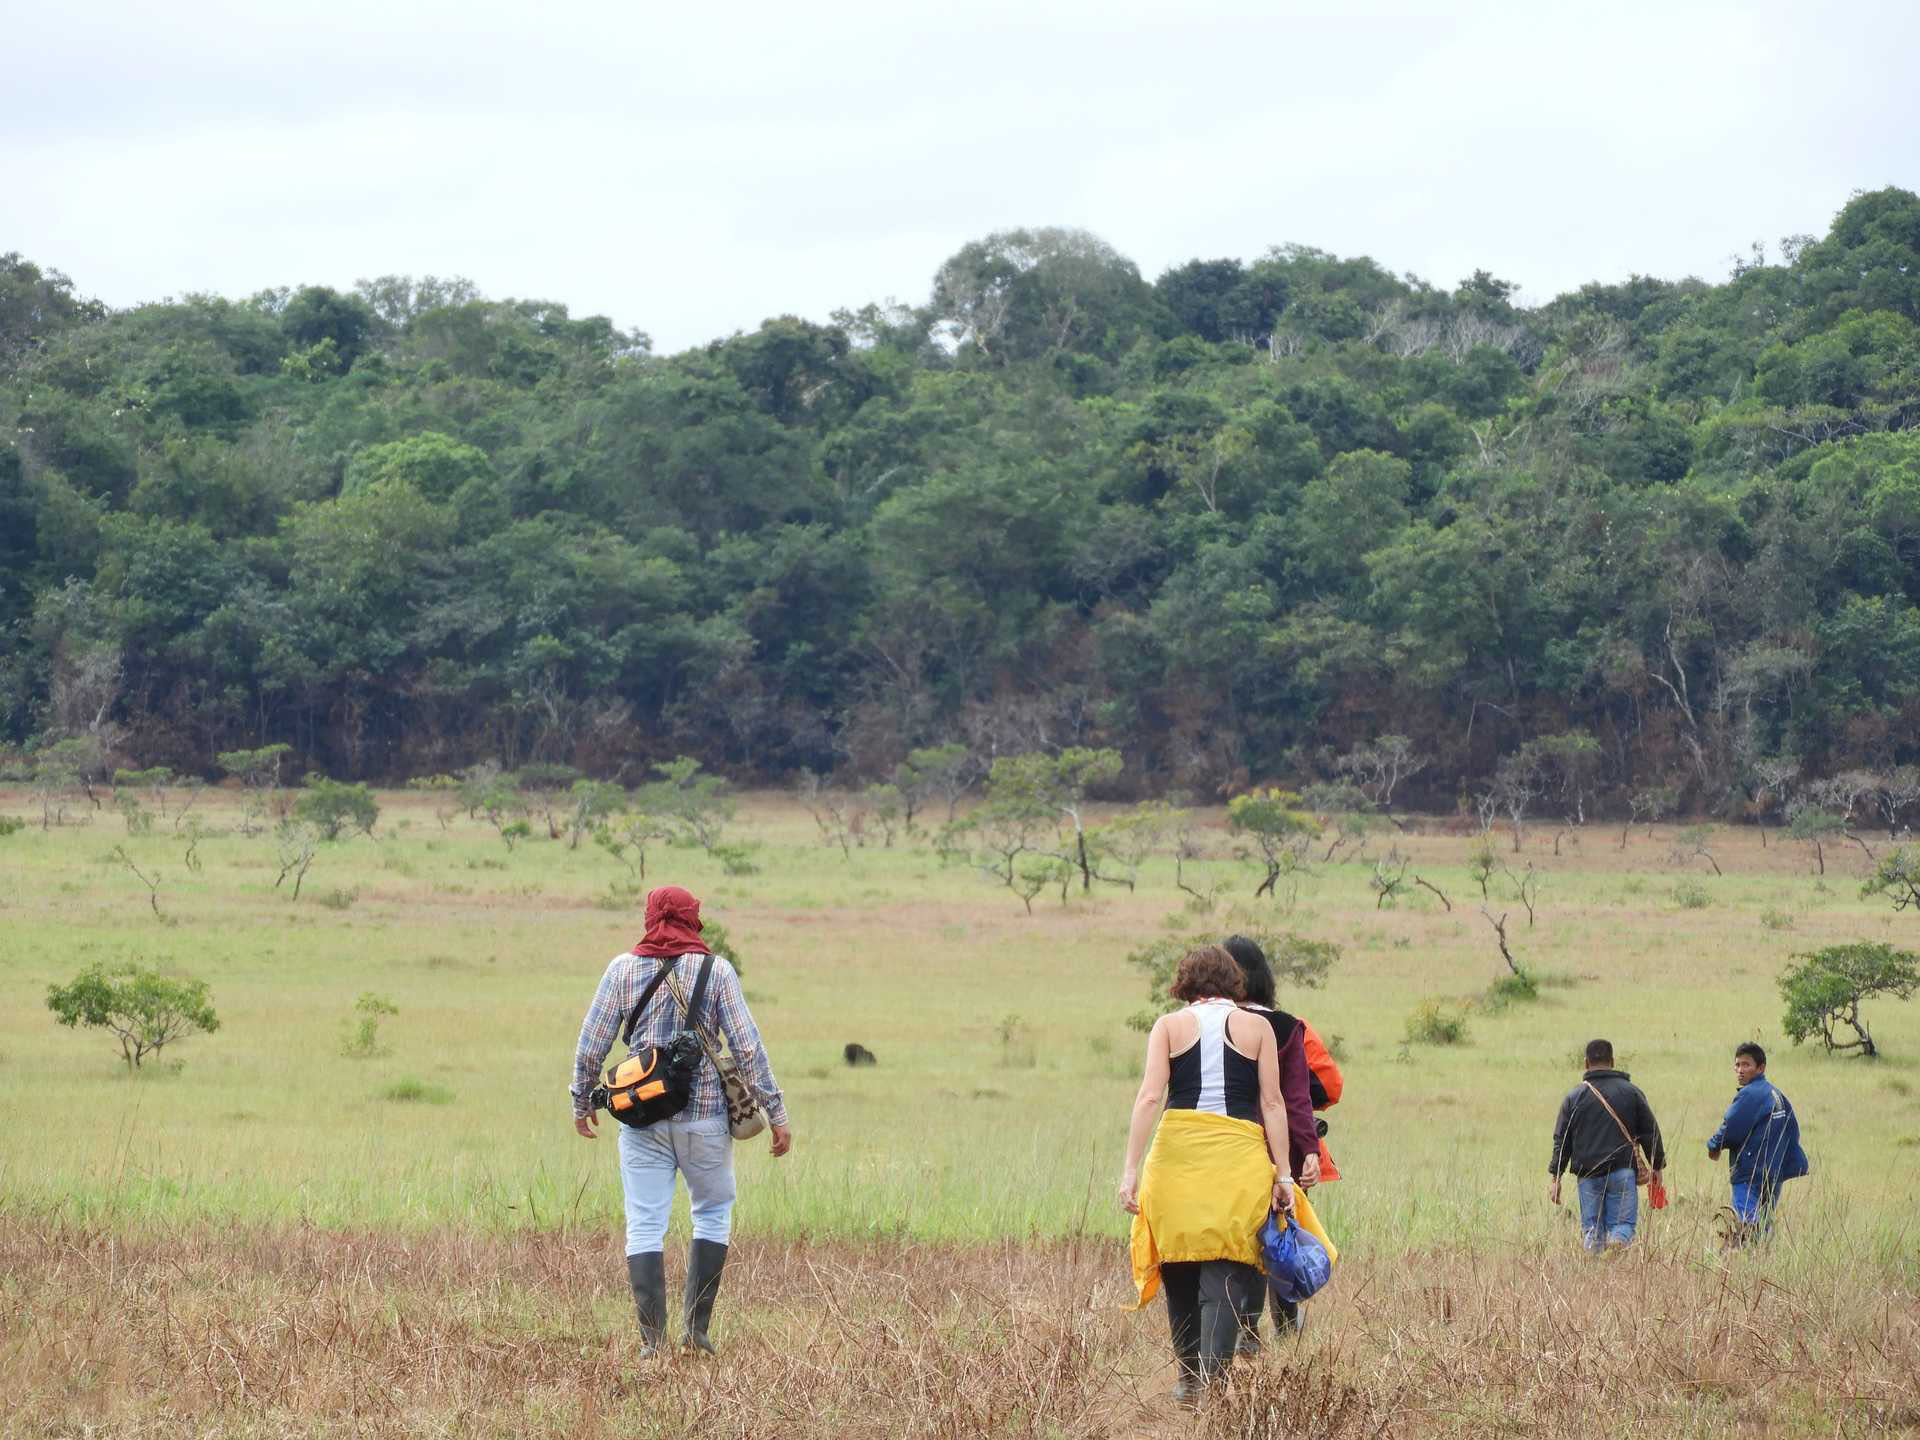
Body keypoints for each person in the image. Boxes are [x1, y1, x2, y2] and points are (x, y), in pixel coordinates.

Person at [571, 884, 792, 1357]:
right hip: (705, 1119)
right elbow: (747, 1048)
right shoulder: (717, 971)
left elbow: (592, 1044)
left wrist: (581, 1100)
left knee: (644, 1222)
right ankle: (697, 1333)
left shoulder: (622, 969)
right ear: (693, 919)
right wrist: (776, 1112)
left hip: (641, 1117)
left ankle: (652, 1343)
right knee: (712, 1213)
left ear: (650, 918)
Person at [1121, 945, 1296, 1403]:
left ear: (1186, 984)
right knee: (1226, 1267)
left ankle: (1188, 1382)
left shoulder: (1168, 1026)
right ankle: (1214, 1387)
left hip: (1176, 1156)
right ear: (1233, 982)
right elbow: (1272, 1103)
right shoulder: (1258, 1027)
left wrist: (1130, 1170)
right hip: (1238, 1157)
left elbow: (1149, 1098)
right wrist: (1283, 1175)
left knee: (1179, 1266)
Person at [1219, 934, 1319, 1347]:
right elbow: (1296, 1096)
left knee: (1241, 1234)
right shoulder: (1286, 1026)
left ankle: (1246, 1328)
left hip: (1228, 1146)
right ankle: (1286, 1325)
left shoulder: (1213, 1023)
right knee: (1280, 1230)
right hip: (1279, 1147)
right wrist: (1309, 1149)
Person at [1548, 1038, 1666, 1251]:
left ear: (1586, 1063)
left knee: (1592, 1230)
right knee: (1623, 1226)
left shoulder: (1574, 1097)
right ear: (1612, 1061)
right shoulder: (1631, 1092)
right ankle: (1617, 1245)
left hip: (1588, 1175)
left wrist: (1556, 1178)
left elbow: (1562, 1141)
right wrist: (1656, 1166)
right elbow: (1650, 1132)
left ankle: (1597, 1264)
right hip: (1622, 1171)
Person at [1706, 1041, 1808, 1245]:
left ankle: (1740, 1259)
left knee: (1747, 1225)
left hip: (1750, 1173)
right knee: (1763, 1226)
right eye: (1737, 1065)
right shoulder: (1776, 1094)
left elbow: (1731, 1126)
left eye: (1746, 1065)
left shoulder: (1749, 1094)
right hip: (1773, 1172)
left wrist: (1713, 1146)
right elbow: (1792, 1130)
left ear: (1761, 1068)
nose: (1740, 1070)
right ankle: (1759, 1259)